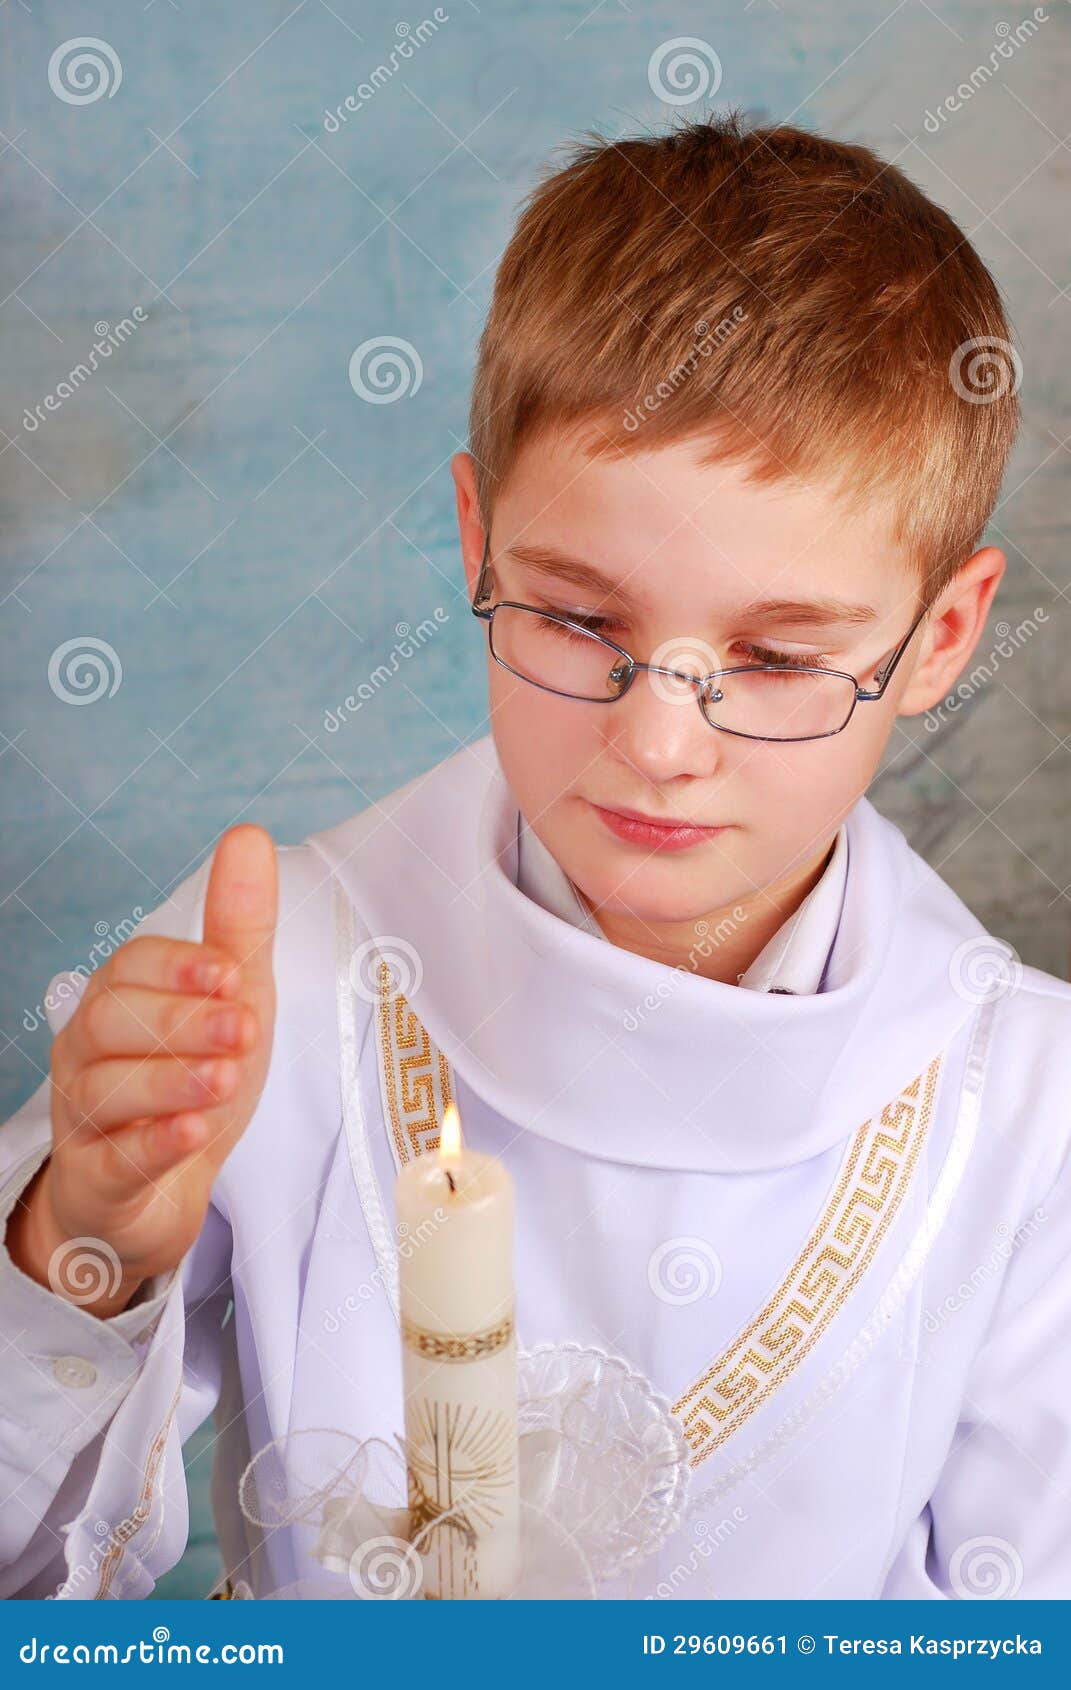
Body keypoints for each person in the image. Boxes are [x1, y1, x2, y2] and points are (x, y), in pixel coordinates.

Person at [2, 111, 1068, 1602]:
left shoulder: (1025, 1116)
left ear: (941, 634)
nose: (662, 745)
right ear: (479, 540)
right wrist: (76, 1254)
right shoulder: (271, 985)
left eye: (772, 655)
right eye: (580, 621)